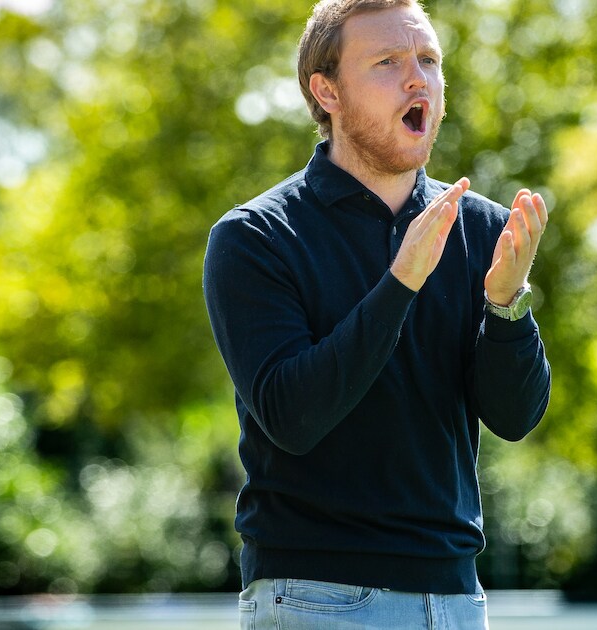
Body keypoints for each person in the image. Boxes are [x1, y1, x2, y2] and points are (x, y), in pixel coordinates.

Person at [202, 0, 551, 627]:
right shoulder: (256, 237)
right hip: (316, 597)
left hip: (455, 599)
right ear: (327, 92)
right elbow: (292, 416)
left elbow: (515, 418)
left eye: (428, 60)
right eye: (388, 62)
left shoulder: (483, 229)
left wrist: (506, 306)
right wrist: (401, 282)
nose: (418, 79)